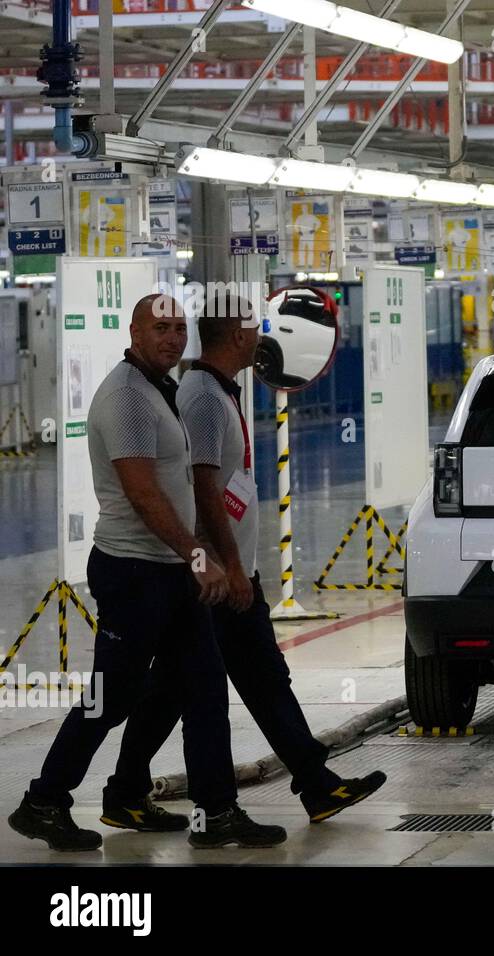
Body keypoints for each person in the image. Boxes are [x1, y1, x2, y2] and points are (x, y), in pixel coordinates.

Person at [8, 294, 285, 851]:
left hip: (170, 572)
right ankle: (43, 800)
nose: (172, 338)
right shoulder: (129, 397)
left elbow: (182, 490)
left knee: (205, 689)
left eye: (180, 328)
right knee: (110, 696)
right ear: (133, 330)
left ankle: (218, 813)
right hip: (134, 573)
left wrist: (203, 558)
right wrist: (200, 557)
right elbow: (142, 494)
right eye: (160, 327)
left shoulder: (162, 391)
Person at [112, 289, 387, 823]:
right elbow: (204, 489)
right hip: (216, 576)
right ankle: (165, 798)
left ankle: (313, 782)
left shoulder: (217, 390)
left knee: (238, 680)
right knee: (194, 687)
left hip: (230, 571)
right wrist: (230, 567)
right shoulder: (203, 398)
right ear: (239, 336)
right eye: (256, 329)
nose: (263, 337)